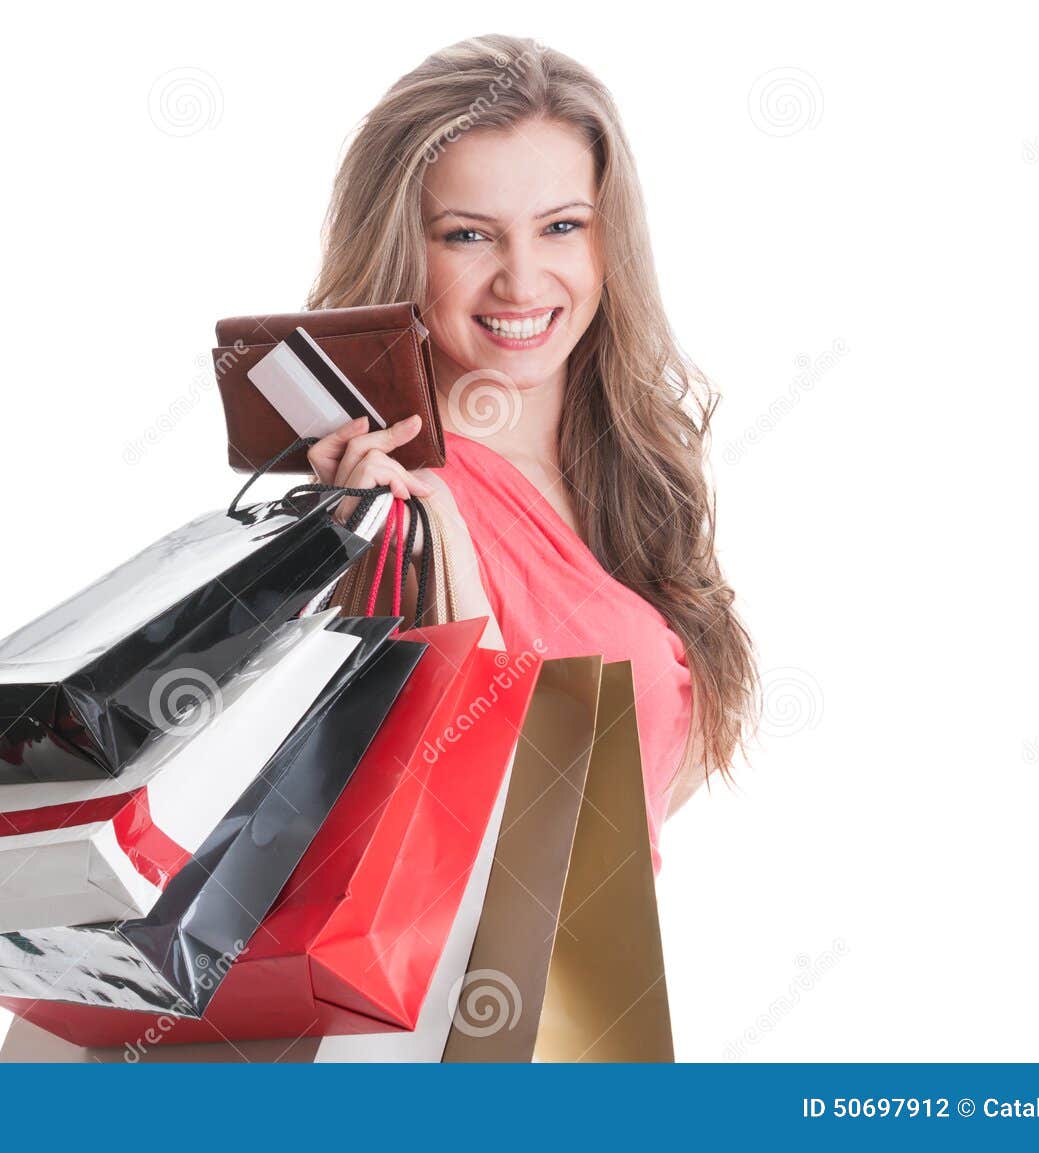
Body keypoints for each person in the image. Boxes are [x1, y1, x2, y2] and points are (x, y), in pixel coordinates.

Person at [305, 34, 760, 874]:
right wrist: (398, 541)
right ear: (404, 249)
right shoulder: (392, 498)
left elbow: (623, 822)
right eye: (469, 236)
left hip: (575, 995)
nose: (522, 281)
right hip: (447, 1007)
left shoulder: (634, 462)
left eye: (560, 227)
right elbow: (476, 833)